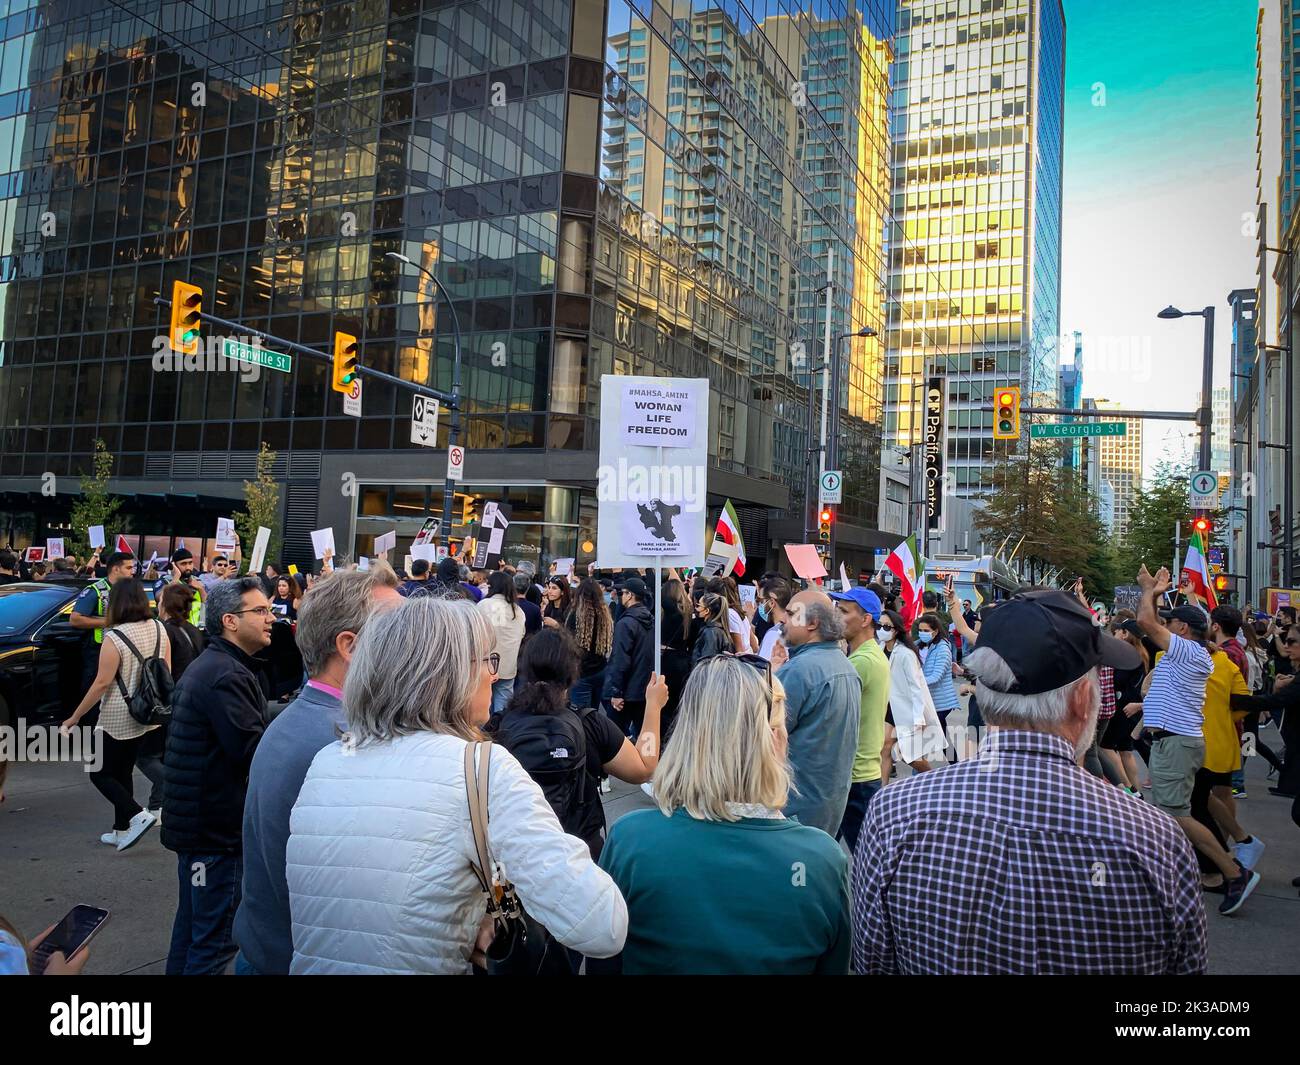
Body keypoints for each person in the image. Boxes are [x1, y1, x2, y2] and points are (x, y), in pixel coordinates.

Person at [852, 588, 1208, 975]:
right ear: (1083, 701)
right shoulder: (1155, 838)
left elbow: (872, 960)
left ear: (984, 695)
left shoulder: (895, 812)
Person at [286, 595, 627, 972]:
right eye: (486, 660)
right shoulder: (481, 767)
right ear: (449, 674)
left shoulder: (329, 758)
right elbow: (603, 925)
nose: (494, 674)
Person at [598, 655, 851, 974]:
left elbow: (604, 957)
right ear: (774, 739)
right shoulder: (820, 859)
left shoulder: (630, 840)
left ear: (688, 736)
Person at [233, 570, 403, 975]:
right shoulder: (339, 741)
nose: (413, 643)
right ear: (349, 646)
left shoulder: (311, 721)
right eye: (398, 631)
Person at [1129, 566, 1259, 915]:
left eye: (1171, 622)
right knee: (1179, 811)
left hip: (1176, 743)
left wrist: (1147, 591)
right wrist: (1154, 594)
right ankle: (1203, 867)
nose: (1165, 626)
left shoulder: (1188, 652)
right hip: (1175, 742)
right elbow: (1150, 622)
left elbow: (1145, 623)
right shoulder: (1187, 650)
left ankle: (1232, 872)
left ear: (1183, 629)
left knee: (1177, 815)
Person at [162, 575, 272, 975]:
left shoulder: (221, 666)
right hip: (215, 835)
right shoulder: (226, 674)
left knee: (192, 935)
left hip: (200, 829)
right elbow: (253, 752)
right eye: (259, 611)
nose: (270, 617)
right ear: (229, 620)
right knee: (212, 943)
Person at [486, 627, 660, 861]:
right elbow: (644, 769)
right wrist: (653, 707)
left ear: (525, 668)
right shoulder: (590, 723)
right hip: (581, 854)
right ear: (572, 672)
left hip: (517, 856)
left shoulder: (499, 725)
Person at [59, 578, 167, 851]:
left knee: (99, 773)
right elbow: (164, 670)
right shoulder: (158, 627)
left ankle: (136, 814)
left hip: (118, 714)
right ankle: (121, 830)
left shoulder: (114, 636)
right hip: (147, 712)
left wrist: (74, 717)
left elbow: (102, 683)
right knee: (122, 770)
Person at [776, 590, 861, 835]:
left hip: (792, 808)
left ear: (813, 623)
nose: (782, 618)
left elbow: (760, 736)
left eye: (791, 614)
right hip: (827, 808)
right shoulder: (845, 666)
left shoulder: (800, 671)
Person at [830, 588, 890, 851]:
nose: (836, 616)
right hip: (857, 773)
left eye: (843, 611)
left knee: (869, 860)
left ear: (866, 619)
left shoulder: (862, 661)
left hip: (856, 777)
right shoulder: (866, 656)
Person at [1231, 622, 1300, 798]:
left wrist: (1240, 701)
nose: (1286, 646)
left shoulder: (1247, 656)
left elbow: (1257, 688)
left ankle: (1238, 783)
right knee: (1251, 741)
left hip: (1252, 703)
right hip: (1254, 703)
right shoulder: (1252, 654)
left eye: (1291, 641)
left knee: (1248, 741)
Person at [878, 608, 945, 775]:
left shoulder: (905, 654)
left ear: (896, 630)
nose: (882, 630)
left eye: (887, 627)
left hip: (906, 708)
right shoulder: (880, 648)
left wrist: (918, 717)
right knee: (885, 748)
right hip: (888, 707)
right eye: (879, 625)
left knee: (911, 756)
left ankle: (931, 778)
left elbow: (916, 688)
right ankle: (881, 792)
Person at [69, 551, 137, 703]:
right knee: (94, 693)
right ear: (115, 569)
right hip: (98, 651)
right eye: (128, 568)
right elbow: (75, 619)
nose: (132, 572)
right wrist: (109, 621)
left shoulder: (131, 591)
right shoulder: (95, 591)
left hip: (125, 648)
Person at [1101, 619, 1149, 794]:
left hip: (1123, 709)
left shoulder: (1128, 655)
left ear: (1125, 633)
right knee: (1125, 750)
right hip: (1131, 709)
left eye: (1117, 631)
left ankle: (1128, 788)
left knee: (1105, 746)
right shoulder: (1140, 653)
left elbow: (1119, 683)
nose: (1115, 635)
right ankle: (1136, 792)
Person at [603, 576, 655, 738]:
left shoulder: (625, 623)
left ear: (630, 595)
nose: (621, 597)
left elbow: (620, 659)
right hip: (643, 688)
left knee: (613, 737)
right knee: (643, 735)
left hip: (626, 691)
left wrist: (616, 692)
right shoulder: (651, 619)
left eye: (622, 593)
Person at [477, 571, 526, 714]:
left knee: (481, 705)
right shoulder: (518, 610)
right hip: (507, 665)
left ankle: (481, 733)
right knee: (503, 706)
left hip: (484, 664)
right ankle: (500, 732)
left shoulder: (483, 605)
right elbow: (521, 634)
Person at [916, 611, 959, 763]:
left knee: (931, 734)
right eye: (920, 630)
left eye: (926, 631)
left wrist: (914, 682)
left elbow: (936, 676)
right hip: (927, 699)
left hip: (940, 702)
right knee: (940, 735)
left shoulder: (943, 649)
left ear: (935, 631)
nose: (922, 633)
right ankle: (955, 765)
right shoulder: (917, 645)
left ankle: (919, 771)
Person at [566, 577, 613, 710]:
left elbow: (569, 644)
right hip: (600, 668)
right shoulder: (605, 615)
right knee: (594, 713)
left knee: (581, 715)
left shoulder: (575, 615)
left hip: (581, 673)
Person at [154, 548, 206, 630]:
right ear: (174, 565)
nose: (188, 567)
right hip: (173, 631)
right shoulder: (165, 581)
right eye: (183, 564)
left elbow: (206, 604)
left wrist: (201, 589)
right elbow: (161, 598)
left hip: (196, 631)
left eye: (190, 563)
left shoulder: (198, 581)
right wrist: (176, 577)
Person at [757, 576, 793, 664]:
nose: (759, 605)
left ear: (771, 603)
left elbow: (762, 669)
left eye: (761, 600)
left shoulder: (774, 634)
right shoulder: (792, 628)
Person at [691, 593, 732, 666]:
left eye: (699, 605)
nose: (696, 608)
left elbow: (706, 663)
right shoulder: (716, 630)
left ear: (707, 611)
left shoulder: (711, 632)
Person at [514, 571, 543, 635]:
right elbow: (538, 632)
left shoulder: (506, 606)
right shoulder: (535, 609)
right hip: (528, 642)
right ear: (528, 587)